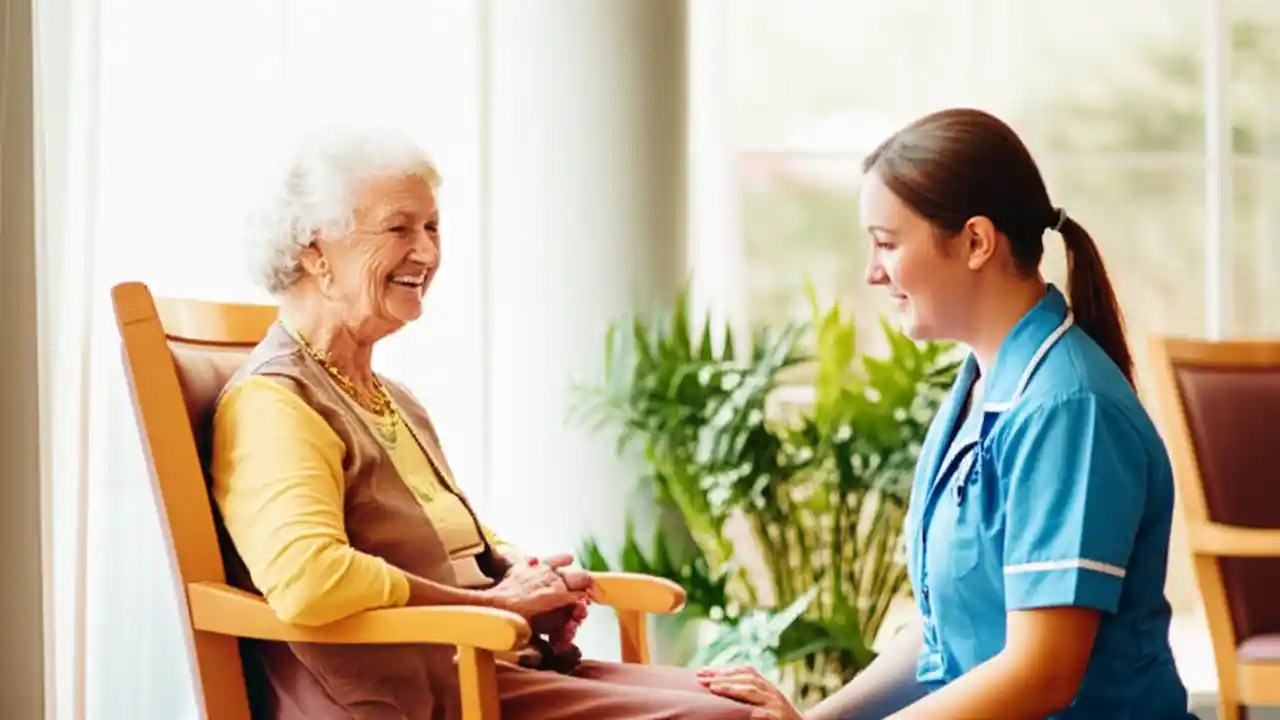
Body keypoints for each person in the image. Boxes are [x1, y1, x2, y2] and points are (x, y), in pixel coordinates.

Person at [210, 127, 766, 719]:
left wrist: (527, 577)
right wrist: (495, 606)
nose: (427, 253)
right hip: (424, 694)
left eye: (432, 227)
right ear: (315, 251)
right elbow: (310, 578)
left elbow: (445, 539)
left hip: (495, 663)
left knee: (752, 698)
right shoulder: (273, 403)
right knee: (737, 717)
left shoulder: (390, 397)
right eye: (399, 228)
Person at [698, 108, 1194, 719]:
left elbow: (1041, 673)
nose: (872, 272)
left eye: (886, 243)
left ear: (977, 242)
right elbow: (945, 643)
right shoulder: (978, 390)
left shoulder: (1068, 408)